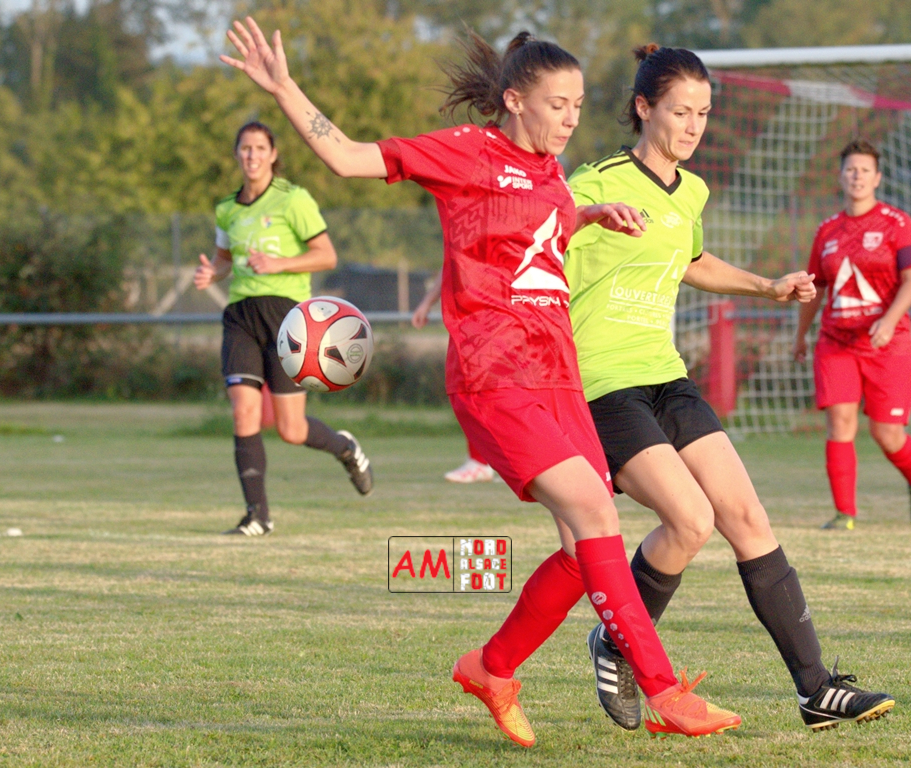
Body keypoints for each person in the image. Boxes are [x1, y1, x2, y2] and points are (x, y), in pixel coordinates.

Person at [220, 17, 742, 746]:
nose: (570, 118)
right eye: (558, 103)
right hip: (496, 375)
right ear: (515, 98)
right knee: (597, 513)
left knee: (575, 545)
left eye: (579, 106)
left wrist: (590, 213)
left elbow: (540, 237)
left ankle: (493, 668)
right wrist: (283, 87)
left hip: (558, 373)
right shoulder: (466, 154)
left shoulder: (553, 177)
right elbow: (345, 156)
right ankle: (662, 690)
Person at [566, 44, 895, 732]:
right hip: (602, 385)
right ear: (643, 107)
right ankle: (617, 639)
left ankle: (815, 688)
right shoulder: (594, 183)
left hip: (665, 377)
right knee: (691, 522)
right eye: (680, 111)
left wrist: (767, 284)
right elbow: (534, 242)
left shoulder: (691, 191)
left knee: (746, 517)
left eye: (704, 113)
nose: (693, 125)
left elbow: (691, 259)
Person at [194, 120, 373, 536]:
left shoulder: (293, 199)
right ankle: (257, 515)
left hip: (288, 321)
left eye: (260, 148)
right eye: (245, 148)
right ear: (237, 154)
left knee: (291, 430)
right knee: (244, 412)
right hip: (240, 316)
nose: (252, 155)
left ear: (273, 154)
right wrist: (211, 273)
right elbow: (224, 259)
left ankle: (345, 448)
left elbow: (326, 255)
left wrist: (279, 263)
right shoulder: (227, 208)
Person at [793, 139, 911, 530]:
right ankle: (845, 515)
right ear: (841, 176)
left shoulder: (897, 223)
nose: (857, 176)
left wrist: (888, 320)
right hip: (836, 341)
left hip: (887, 343)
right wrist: (800, 336)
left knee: (887, 433)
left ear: (878, 177)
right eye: (850, 169)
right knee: (840, 422)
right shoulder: (827, 231)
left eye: (865, 170)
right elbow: (815, 288)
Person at [411, 269, 497, 483]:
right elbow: (450, 263)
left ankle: (486, 462)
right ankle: (485, 461)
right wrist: (426, 303)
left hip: (498, 318)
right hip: (468, 321)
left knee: (487, 392)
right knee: (471, 391)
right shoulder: (461, 237)